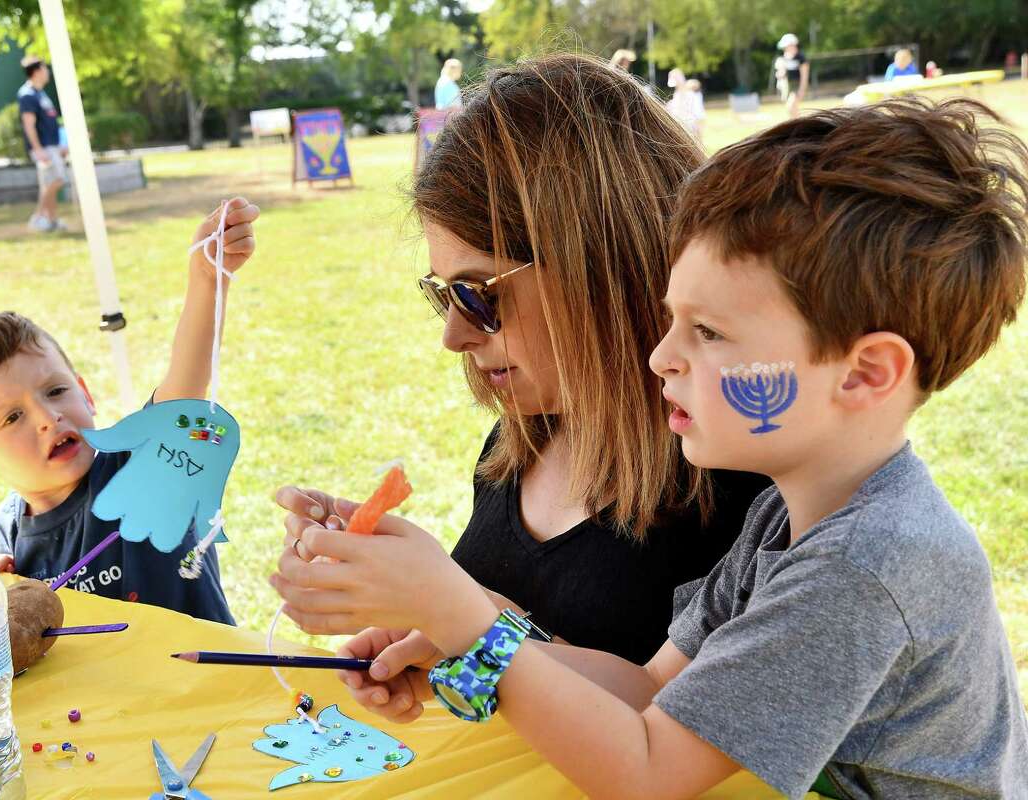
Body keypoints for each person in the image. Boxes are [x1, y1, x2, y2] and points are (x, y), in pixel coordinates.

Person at [273, 98, 1028, 797]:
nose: (661, 356)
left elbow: (647, 769)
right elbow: (649, 691)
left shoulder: (868, 565)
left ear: (865, 374)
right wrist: (458, 638)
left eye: (708, 333)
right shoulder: (789, 520)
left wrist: (456, 609)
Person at [273, 53, 769, 669]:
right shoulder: (520, 446)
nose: (453, 335)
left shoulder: (749, 487)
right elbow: (498, 653)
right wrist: (402, 598)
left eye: (477, 294)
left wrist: (454, 609)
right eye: (443, 295)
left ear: (599, 271)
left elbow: (661, 732)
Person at [0, 197, 260, 624]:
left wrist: (208, 279)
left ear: (85, 393)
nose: (47, 417)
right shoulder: (10, 526)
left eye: (56, 390)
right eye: (12, 417)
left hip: (207, 685)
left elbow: (185, 387)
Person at [18, 57, 68, 233]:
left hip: (52, 145)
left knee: (50, 182)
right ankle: (38, 217)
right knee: (57, 180)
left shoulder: (41, 94)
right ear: (37, 71)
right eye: (45, 68)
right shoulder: (27, 95)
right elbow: (29, 124)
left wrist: (61, 144)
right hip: (43, 148)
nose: (48, 72)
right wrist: (38, 149)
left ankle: (52, 220)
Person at [666, 69, 705, 145]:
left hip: (690, 126)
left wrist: (698, 127)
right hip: (680, 126)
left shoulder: (692, 95)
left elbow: (698, 113)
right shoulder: (677, 94)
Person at [775, 33, 809, 118]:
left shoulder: (801, 57)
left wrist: (802, 90)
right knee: (791, 109)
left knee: (791, 106)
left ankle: (797, 125)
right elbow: (781, 73)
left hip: (797, 85)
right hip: (788, 86)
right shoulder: (783, 57)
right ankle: (796, 125)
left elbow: (804, 76)